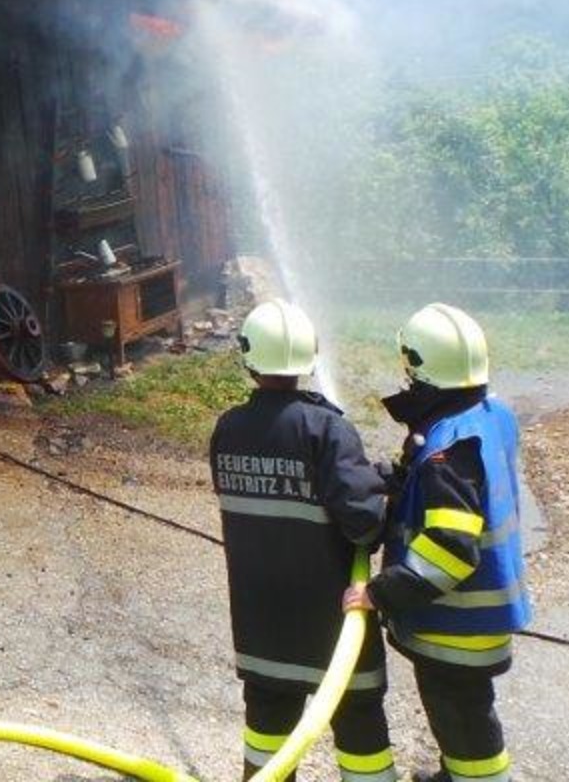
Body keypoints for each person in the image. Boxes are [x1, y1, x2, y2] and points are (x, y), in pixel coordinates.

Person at [343, 303, 532, 782]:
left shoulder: (448, 454)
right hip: (481, 617)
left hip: (456, 623)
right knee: (466, 716)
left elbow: (450, 548)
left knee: (463, 723)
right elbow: (466, 487)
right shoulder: (489, 415)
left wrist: (378, 593)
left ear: (418, 367)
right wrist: (400, 477)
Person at [211, 300, 396, 782]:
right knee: (359, 727)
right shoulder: (326, 429)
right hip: (332, 624)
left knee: (268, 733)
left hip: (260, 621)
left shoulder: (228, 429)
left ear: (249, 358)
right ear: (310, 357)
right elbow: (364, 523)